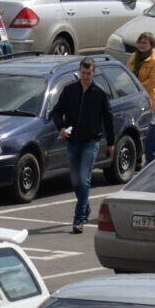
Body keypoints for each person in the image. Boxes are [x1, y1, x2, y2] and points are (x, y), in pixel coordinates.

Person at [51, 57, 114, 234]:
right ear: (79, 72)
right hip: (72, 142)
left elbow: (108, 119)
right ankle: (85, 206)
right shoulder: (70, 90)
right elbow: (56, 112)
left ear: (94, 73)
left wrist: (111, 143)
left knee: (84, 178)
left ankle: (78, 219)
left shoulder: (99, 94)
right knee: (75, 180)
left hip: (91, 142)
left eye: (88, 73)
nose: (85, 76)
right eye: (83, 73)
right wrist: (61, 128)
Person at [126, 31, 155, 106]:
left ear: (152, 45)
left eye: (145, 43)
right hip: (133, 95)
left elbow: (154, 81)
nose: (141, 45)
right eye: (140, 42)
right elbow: (127, 73)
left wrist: (137, 88)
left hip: (149, 98)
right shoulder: (134, 56)